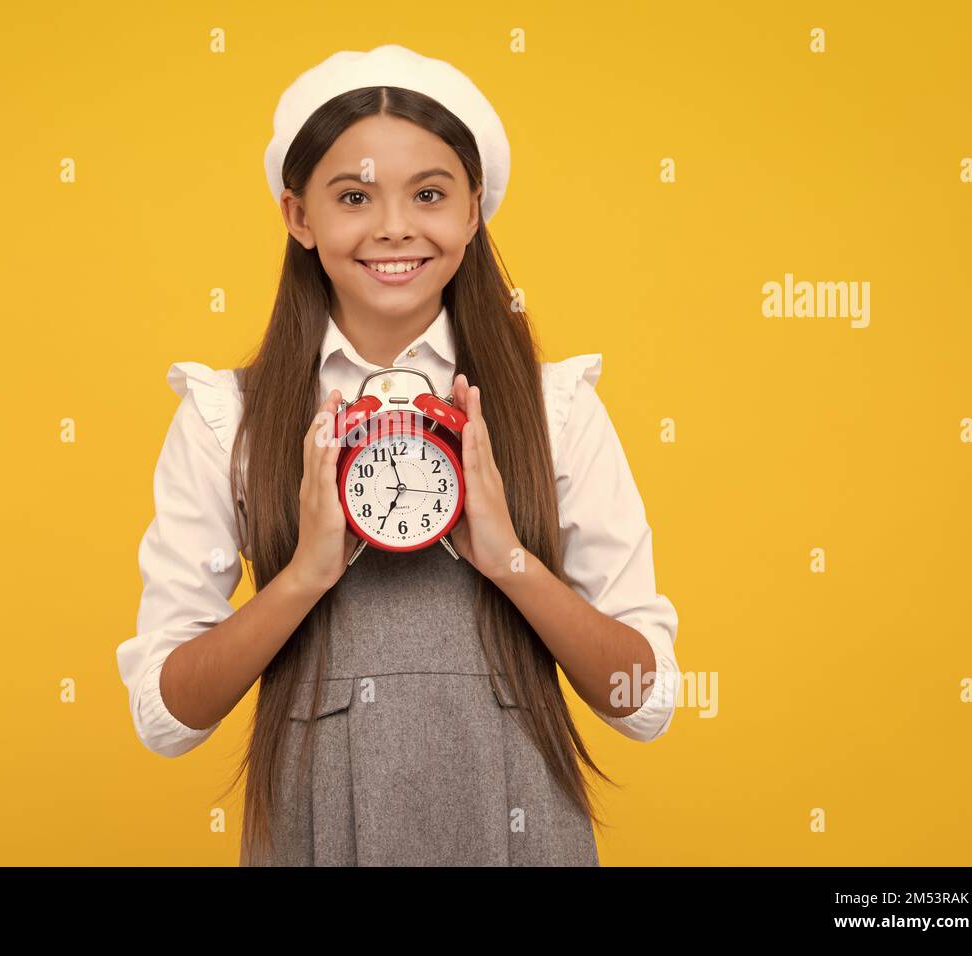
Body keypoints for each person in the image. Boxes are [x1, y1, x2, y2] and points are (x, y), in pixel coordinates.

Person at [115, 43, 680, 866]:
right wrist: (305, 572)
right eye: (353, 196)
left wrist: (510, 559)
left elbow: (647, 699)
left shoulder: (554, 408)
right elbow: (166, 717)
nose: (393, 227)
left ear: (474, 209)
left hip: (521, 826)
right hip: (316, 828)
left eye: (429, 194)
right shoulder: (226, 418)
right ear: (299, 217)